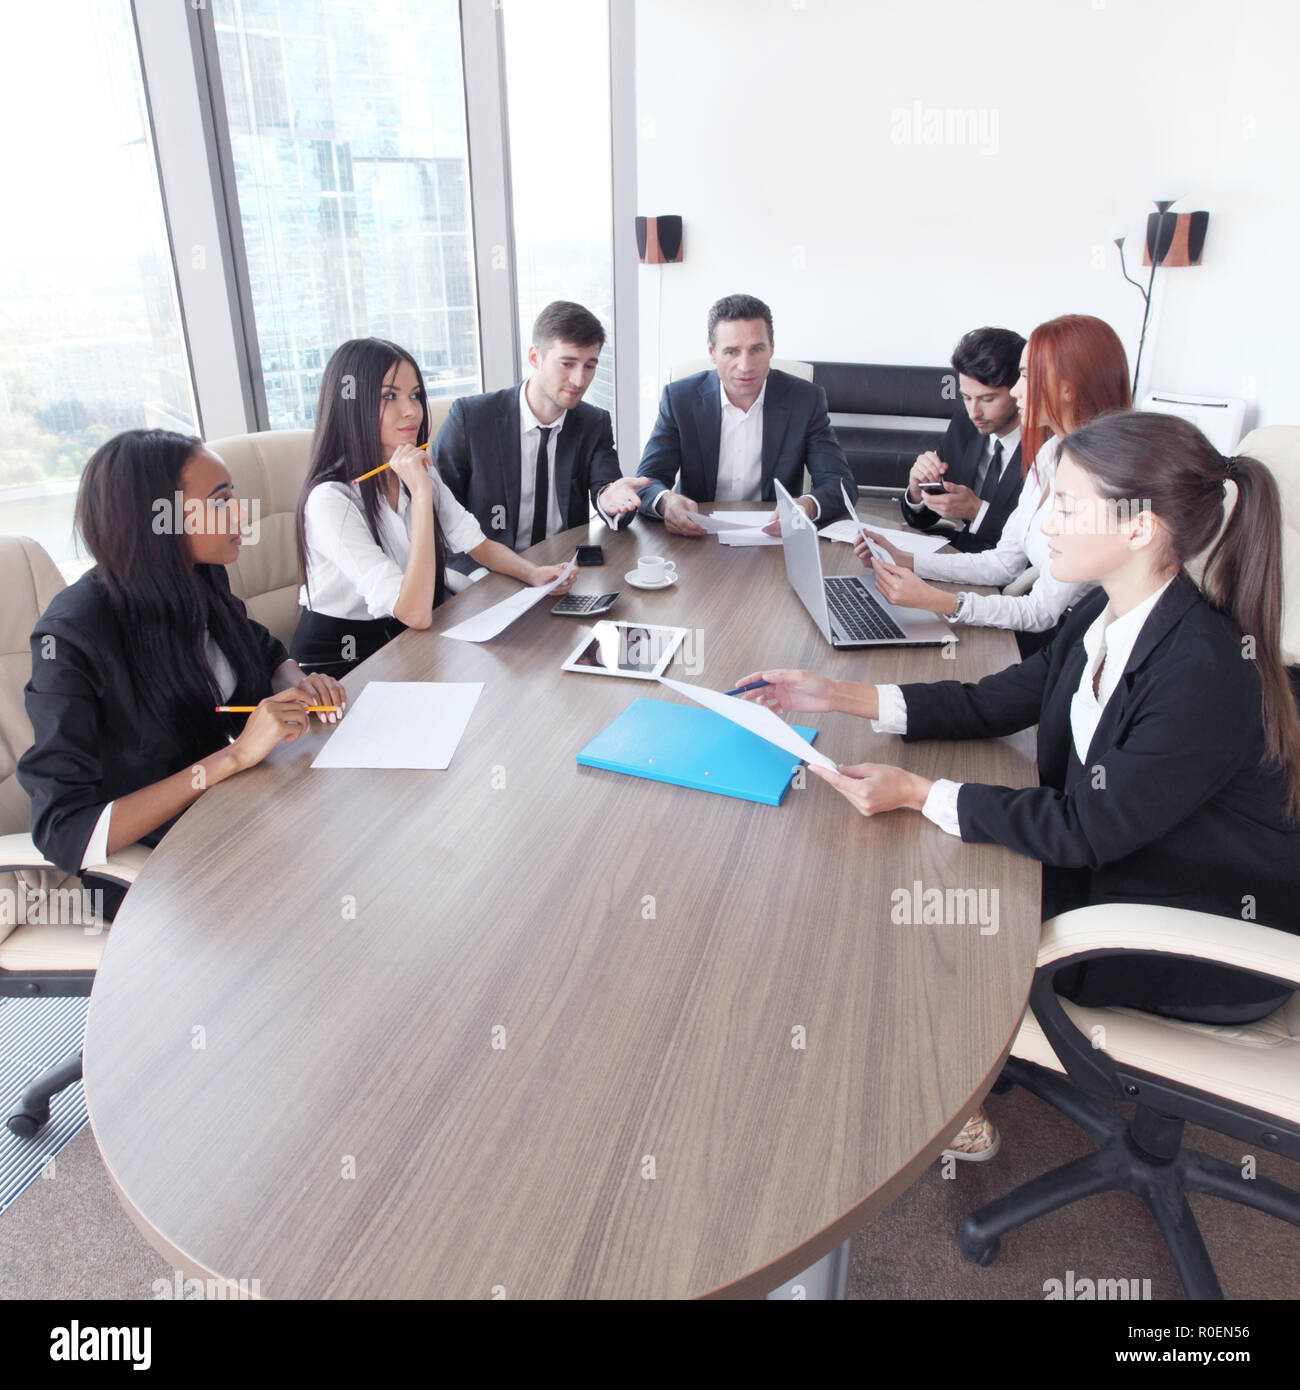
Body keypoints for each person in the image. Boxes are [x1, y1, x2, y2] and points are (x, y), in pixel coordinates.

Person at [738, 410, 1300, 1157]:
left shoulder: (1200, 668)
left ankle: (942, 1093)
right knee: (935, 853)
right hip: (1129, 862)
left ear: (1139, 529)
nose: (1046, 521)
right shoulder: (1109, 606)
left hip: (1197, 934)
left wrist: (919, 793)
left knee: (927, 891)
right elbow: (1003, 697)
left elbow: (1085, 827)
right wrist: (839, 696)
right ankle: (960, 1064)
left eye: (1067, 506)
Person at [18, 429, 346, 917]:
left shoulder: (198, 572)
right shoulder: (72, 638)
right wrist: (232, 758)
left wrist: (294, 679)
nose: (241, 514)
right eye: (220, 502)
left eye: (234, 496)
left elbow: (253, 643)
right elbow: (66, 830)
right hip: (164, 873)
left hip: (243, 816)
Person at [292, 338, 575, 677]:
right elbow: (415, 612)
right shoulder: (330, 500)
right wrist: (422, 495)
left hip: (401, 632)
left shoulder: (414, 466)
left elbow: (476, 543)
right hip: (339, 657)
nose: (411, 410)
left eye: (414, 395)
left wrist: (533, 574)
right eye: (388, 396)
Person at [859, 315, 1131, 658]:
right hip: (1032, 621)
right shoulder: (1049, 454)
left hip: (1072, 644)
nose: (1018, 390)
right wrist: (908, 560)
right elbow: (1002, 562)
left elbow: (1041, 613)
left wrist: (940, 601)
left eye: (1027, 377)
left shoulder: (1101, 480)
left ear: (1067, 387)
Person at [431, 301, 646, 555]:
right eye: (567, 363)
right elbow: (436, 512)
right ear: (535, 357)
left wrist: (609, 501)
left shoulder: (593, 423)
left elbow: (608, 489)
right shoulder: (471, 419)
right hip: (488, 568)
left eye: (589, 366)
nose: (579, 380)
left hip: (562, 568)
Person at [636, 293, 854, 536]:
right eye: (731, 352)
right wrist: (667, 502)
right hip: (697, 537)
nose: (746, 366)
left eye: (756, 349)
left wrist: (807, 505)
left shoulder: (805, 400)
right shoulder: (680, 399)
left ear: (771, 348)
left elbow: (840, 484)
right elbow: (646, 481)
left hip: (773, 538)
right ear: (712, 352)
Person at [900, 326, 1026, 551]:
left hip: (1015, 576)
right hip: (962, 558)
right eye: (966, 398)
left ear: (1020, 389)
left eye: (987, 399)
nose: (974, 412)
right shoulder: (964, 426)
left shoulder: (1050, 445)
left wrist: (977, 512)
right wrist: (918, 493)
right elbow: (924, 519)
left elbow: (1040, 541)